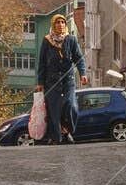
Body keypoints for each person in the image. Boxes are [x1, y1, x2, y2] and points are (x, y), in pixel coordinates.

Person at [35, 14, 87, 144]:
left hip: (68, 81)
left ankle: (67, 130)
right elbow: (42, 62)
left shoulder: (71, 39)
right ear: (53, 25)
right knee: (54, 109)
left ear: (66, 25)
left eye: (63, 22)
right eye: (57, 22)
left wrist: (83, 74)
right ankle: (56, 137)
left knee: (71, 106)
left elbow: (79, 58)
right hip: (51, 82)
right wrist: (40, 82)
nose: (60, 25)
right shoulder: (47, 40)